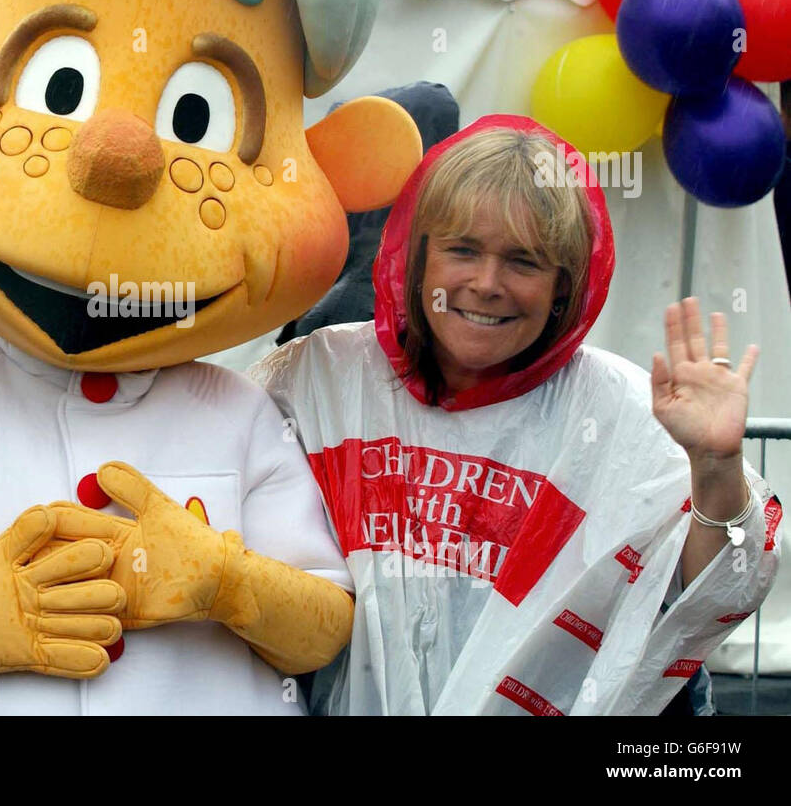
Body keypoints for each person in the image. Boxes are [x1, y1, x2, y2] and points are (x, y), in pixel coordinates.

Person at [250, 114, 782, 715]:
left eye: (524, 261)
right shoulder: (322, 378)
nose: (486, 283)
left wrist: (715, 467)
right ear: (419, 257)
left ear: (563, 284)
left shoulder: (622, 418)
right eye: (463, 250)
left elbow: (714, 588)